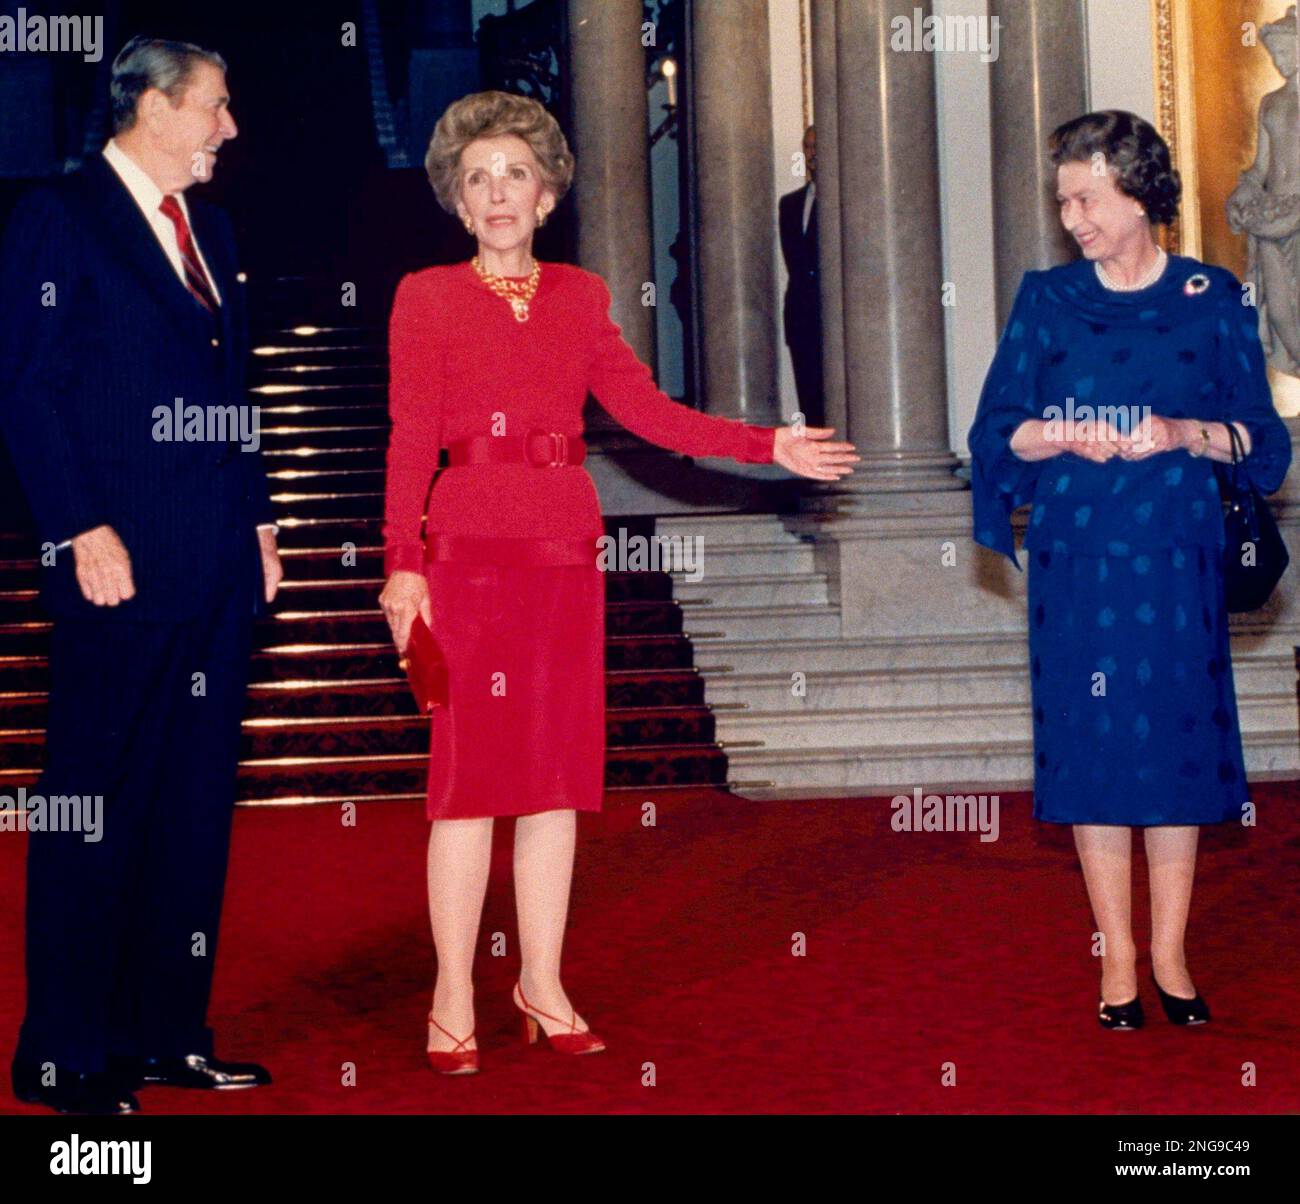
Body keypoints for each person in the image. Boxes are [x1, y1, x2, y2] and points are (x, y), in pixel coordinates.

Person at [380, 90, 858, 1073]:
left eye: (515, 174)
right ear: (458, 205)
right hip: (467, 555)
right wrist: (401, 565)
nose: (498, 192)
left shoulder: (581, 298)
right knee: (467, 789)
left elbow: (649, 414)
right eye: (478, 180)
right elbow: (409, 440)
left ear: (547, 194)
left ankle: (541, 982)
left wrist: (768, 443)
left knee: (554, 782)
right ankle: (453, 989)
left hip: (561, 551)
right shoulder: (423, 296)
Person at [0, 36, 280, 1113]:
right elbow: (27, 391)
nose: (229, 129)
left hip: (213, 564)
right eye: (214, 107)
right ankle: (65, 1052)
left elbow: (232, 388)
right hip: (117, 565)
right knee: (92, 806)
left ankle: (168, 1030)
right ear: (155, 108)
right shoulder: (60, 217)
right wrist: (78, 528)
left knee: (192, 805)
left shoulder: (208, 228)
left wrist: (257, 518)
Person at [968, 110, 1291, 1030]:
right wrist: (1064, 432)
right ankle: (1117, 963)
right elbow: (995, 432)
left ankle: (1176, 958)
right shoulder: (1048, 299)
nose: (1072, 216)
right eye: (1064, 199)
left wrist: (1184, 432)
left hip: (1175, 561)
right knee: (1098, 758)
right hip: (1080, 557)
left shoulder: (1213, 294)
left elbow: (1262, 443)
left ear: (1141, 191)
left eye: (1087, 197)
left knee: (1176, 760)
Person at [778, 124, 823, 427]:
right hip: (800, 316)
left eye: (819, 146)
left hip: (835, 318)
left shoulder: (848, 202)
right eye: (808, 147)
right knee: (809, 402)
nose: (813, 154)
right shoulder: (789, 204)